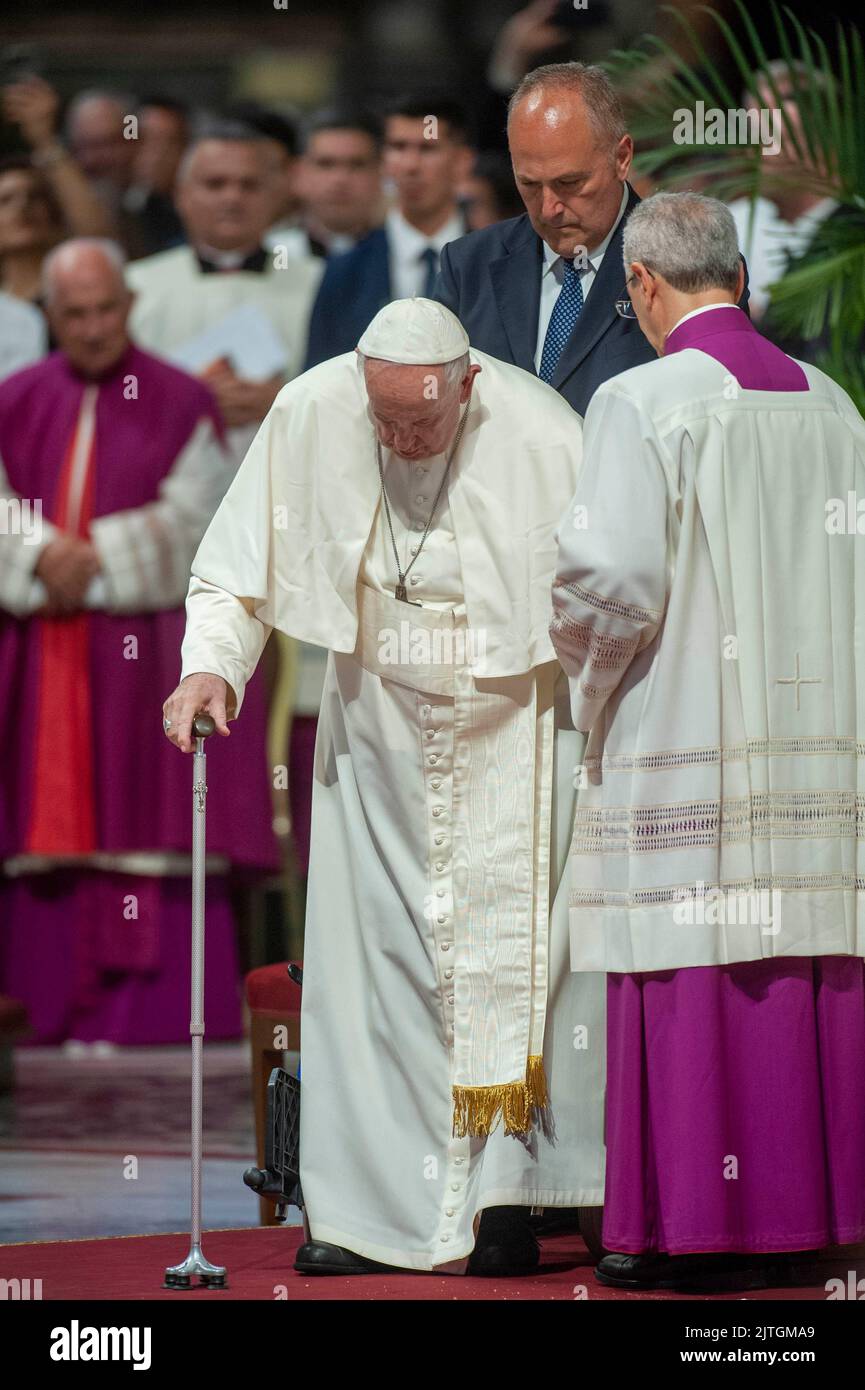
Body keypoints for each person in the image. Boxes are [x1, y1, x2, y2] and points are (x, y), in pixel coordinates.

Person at [163, 297, 606, 1275]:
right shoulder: (313, 410)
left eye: (424, 422)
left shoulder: (541, 429)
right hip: (375, 739)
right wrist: (211, 668)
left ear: (469, 386)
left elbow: (602, 595)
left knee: (517, 975)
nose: (403, 439)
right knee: (373, 982)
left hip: (515, 731)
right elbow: (234, 572)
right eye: (386, 420)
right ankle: (367, 1213)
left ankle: (502, 1204)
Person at [550, 191, 865, 1291]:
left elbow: (612, 582)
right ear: (735, 271)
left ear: (641, 283)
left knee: (688, 964)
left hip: (688, 724)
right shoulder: (832, 403)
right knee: (807, 961)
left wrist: (583, 685)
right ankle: (816, 1216)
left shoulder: (639, 400)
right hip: (820, 738)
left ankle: (685, 1222)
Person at [0, 239, 279, 1046]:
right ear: (49, 315)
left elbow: (202, 516)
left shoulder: (180, 397)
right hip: (45, 644)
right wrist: (38, 551)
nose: (92, 328)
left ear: (129, 305)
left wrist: (93, 557)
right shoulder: (14, 397)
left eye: (105, 309)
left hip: (142, 643)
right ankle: (42, 1007)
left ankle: (152, 1015)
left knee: (143, 807)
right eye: (73, 313)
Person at [436, 61, 749, 417]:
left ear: (622, 158)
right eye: (530, 184)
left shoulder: (692, 262)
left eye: (570, 183)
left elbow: (721, 408)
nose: (550, 208)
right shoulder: (467, 266)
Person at [126, 127, 322, 465]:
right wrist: (189, 399)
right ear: (181, 195)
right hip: (166, 474)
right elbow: (118, 396)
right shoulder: (136, 285)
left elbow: (347, 388)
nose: (232, 198)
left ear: (276, 195)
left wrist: (285, 400)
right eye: (215, 184)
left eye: (249, 185)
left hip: (289, 470)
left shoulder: (318, 280)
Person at [303, 96, 473, 368]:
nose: (410, 165)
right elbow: (319, 379)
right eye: (398, 147)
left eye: (427, 149)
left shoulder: (494, 261)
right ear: (383, 160)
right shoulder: (343, 270)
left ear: (462, 161)